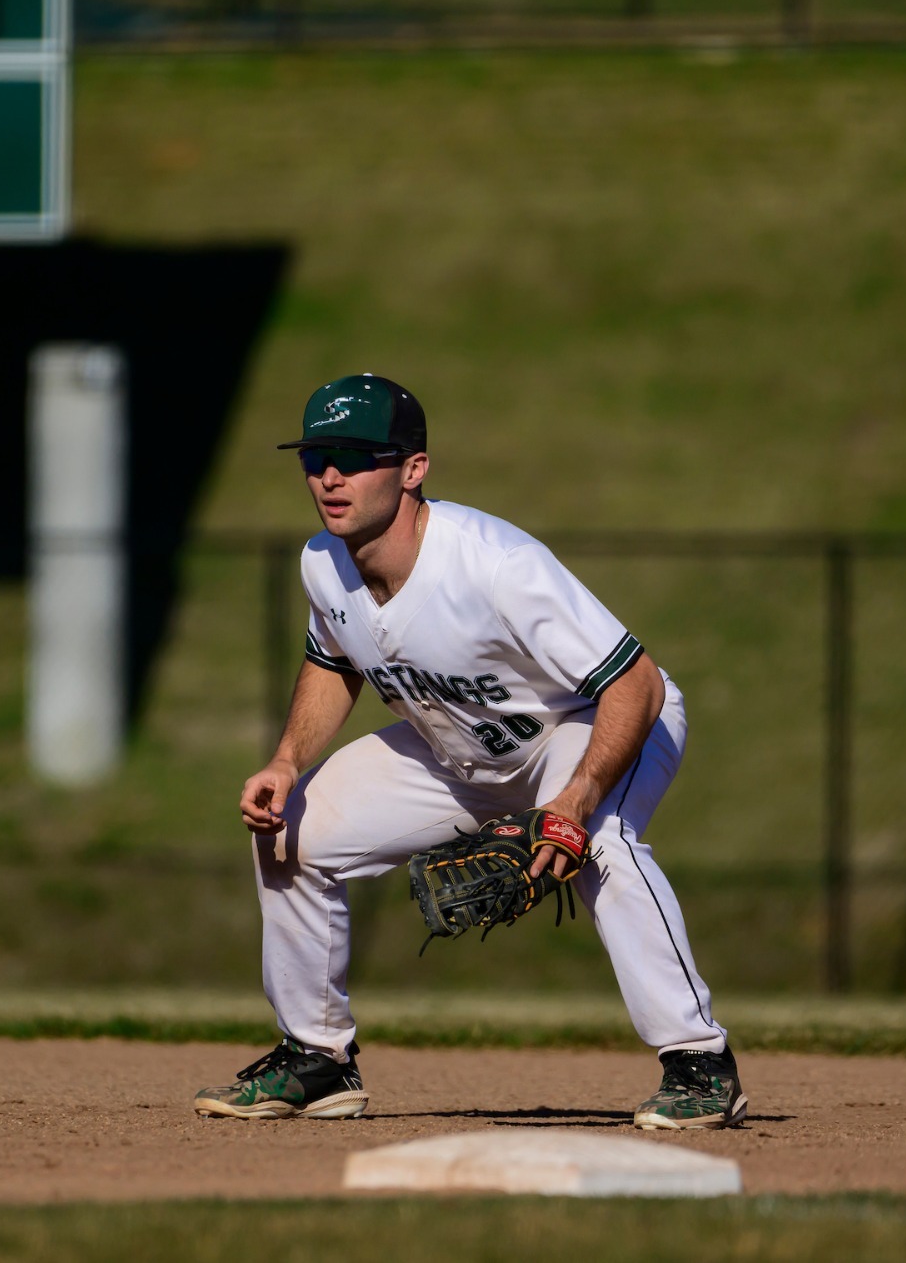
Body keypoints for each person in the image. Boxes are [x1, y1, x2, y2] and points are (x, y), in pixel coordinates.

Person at [192, 374, 744, 1130]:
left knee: (603, 844)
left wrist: (573, 804)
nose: (329, 476)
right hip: (461, 752)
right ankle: (317, 1059)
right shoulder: (324, 561)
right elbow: (334, 660)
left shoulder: (493, 563)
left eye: (355, 456)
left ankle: (700, 1062)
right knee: (288, 830)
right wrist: (287, 760)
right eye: (316, 455)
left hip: (586, 728)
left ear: (413, 468)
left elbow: (637, 685)